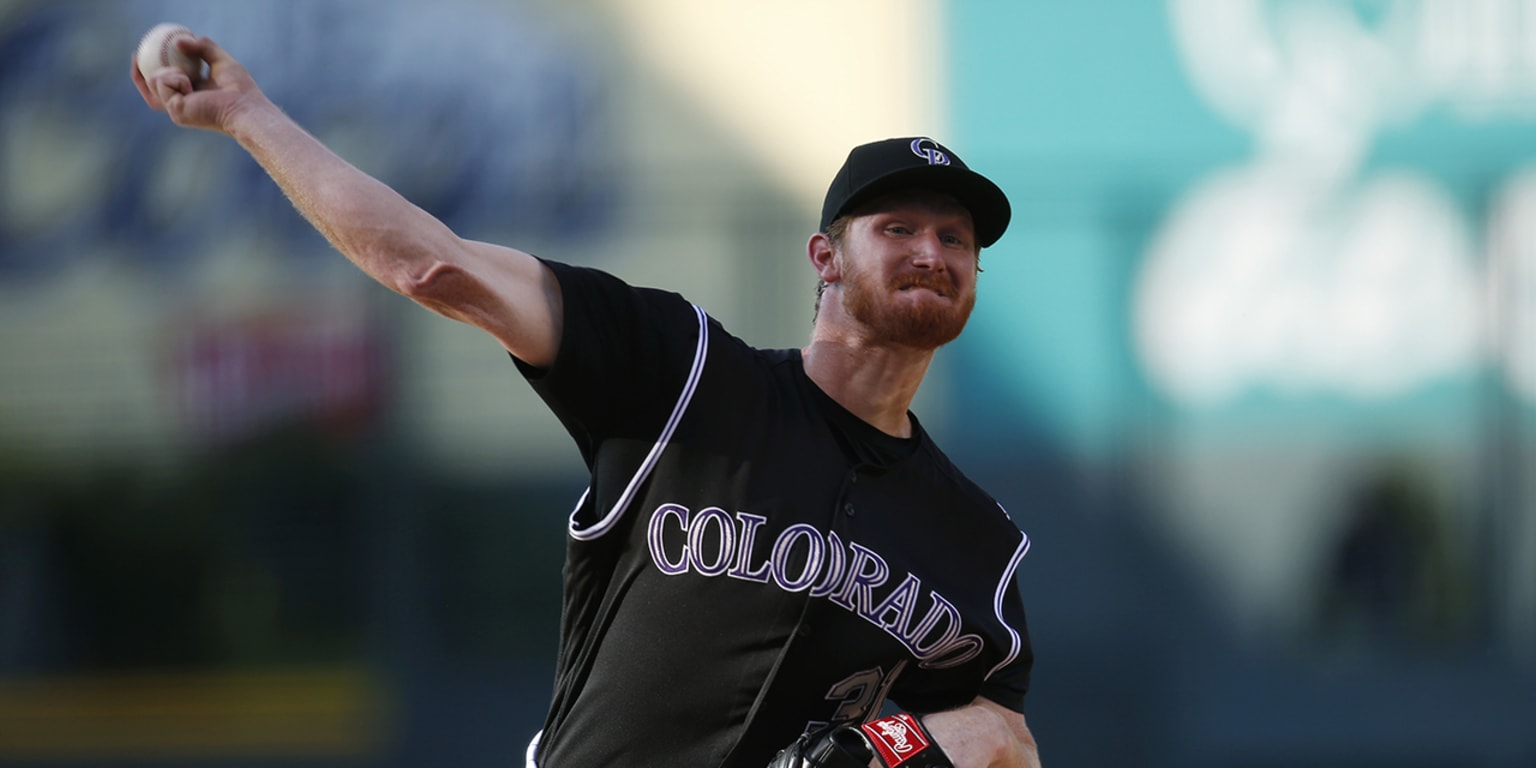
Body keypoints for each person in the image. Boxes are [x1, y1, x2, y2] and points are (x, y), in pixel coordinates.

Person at [133, 33, 1042, 768]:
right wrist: (248, 113)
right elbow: (436, 265)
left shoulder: (977, 545)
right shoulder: (686, 375)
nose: (931, 252)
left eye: (955, 238)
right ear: (825, 258)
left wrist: (884, 747)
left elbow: (1001, 740)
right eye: (898, 227)